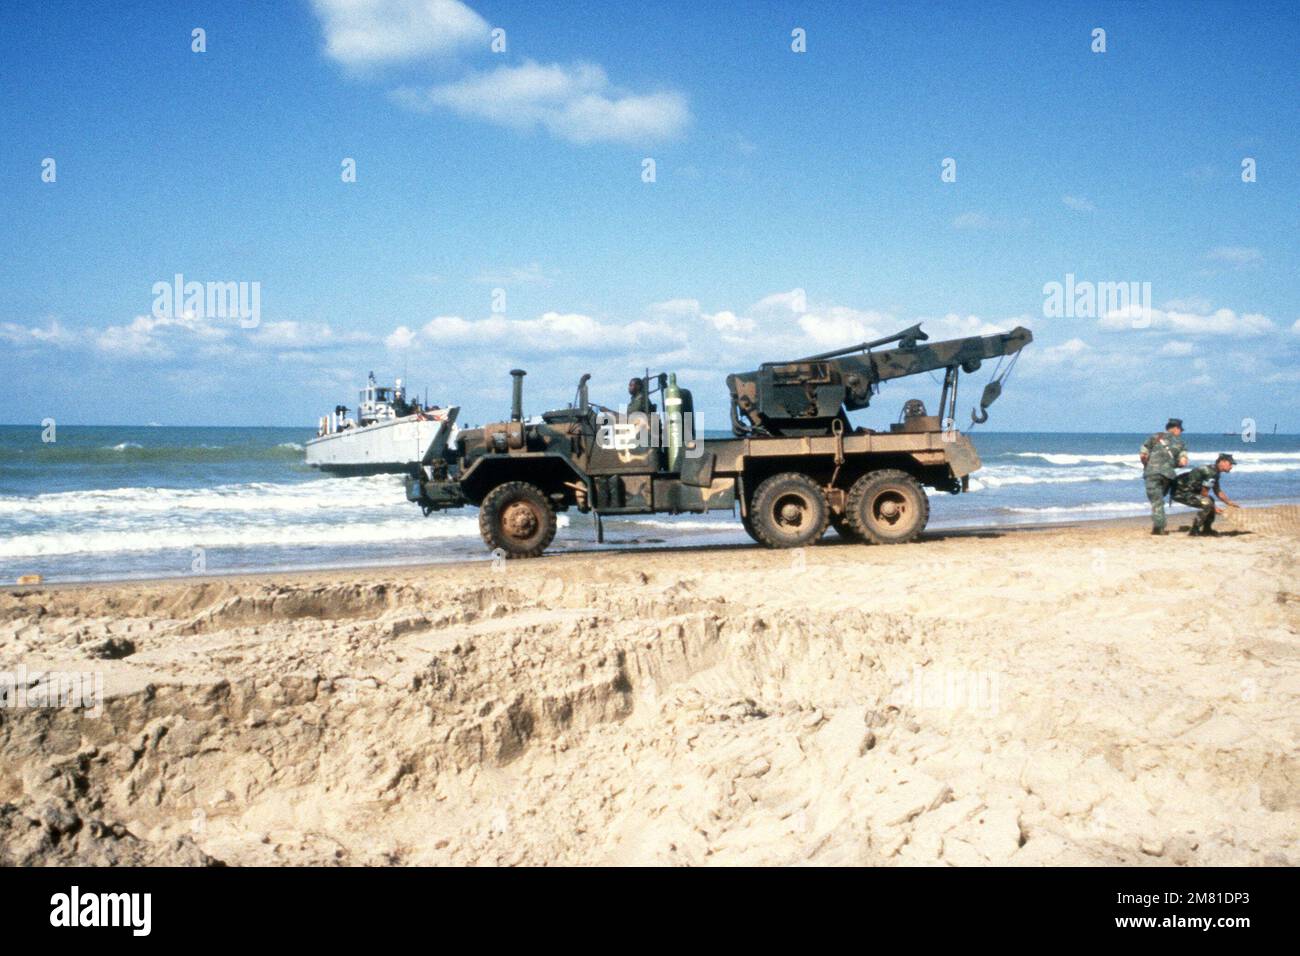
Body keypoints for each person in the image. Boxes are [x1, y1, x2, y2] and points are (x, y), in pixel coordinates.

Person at [1139, 418, 1188, 535]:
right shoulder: (1181, 443)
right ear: (1176, 428)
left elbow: (1143, 455)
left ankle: (1159, 527)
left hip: (1152, 474)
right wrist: (1172, 463)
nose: (1180, 432)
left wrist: (1148, 465)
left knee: (1156, 501)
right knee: (1159, 499)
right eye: (1180, 430)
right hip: (1168, 476)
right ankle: (1158, 524)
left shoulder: (1155, 437)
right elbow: (1183, 462)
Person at [1172, 453, 1238, 536]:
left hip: (1189, 492)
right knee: (1208, 503)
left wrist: (1229, 502)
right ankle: (1194, 531)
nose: (1231, 466)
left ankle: (1207, 529)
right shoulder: (1211, 472)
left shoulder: (1215, 472)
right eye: (1230, 464)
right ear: (1222, 462)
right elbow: (1204, 493)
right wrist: (1215, 508)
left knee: (1210, 501)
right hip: (1180, 493)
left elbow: (1217, 490)